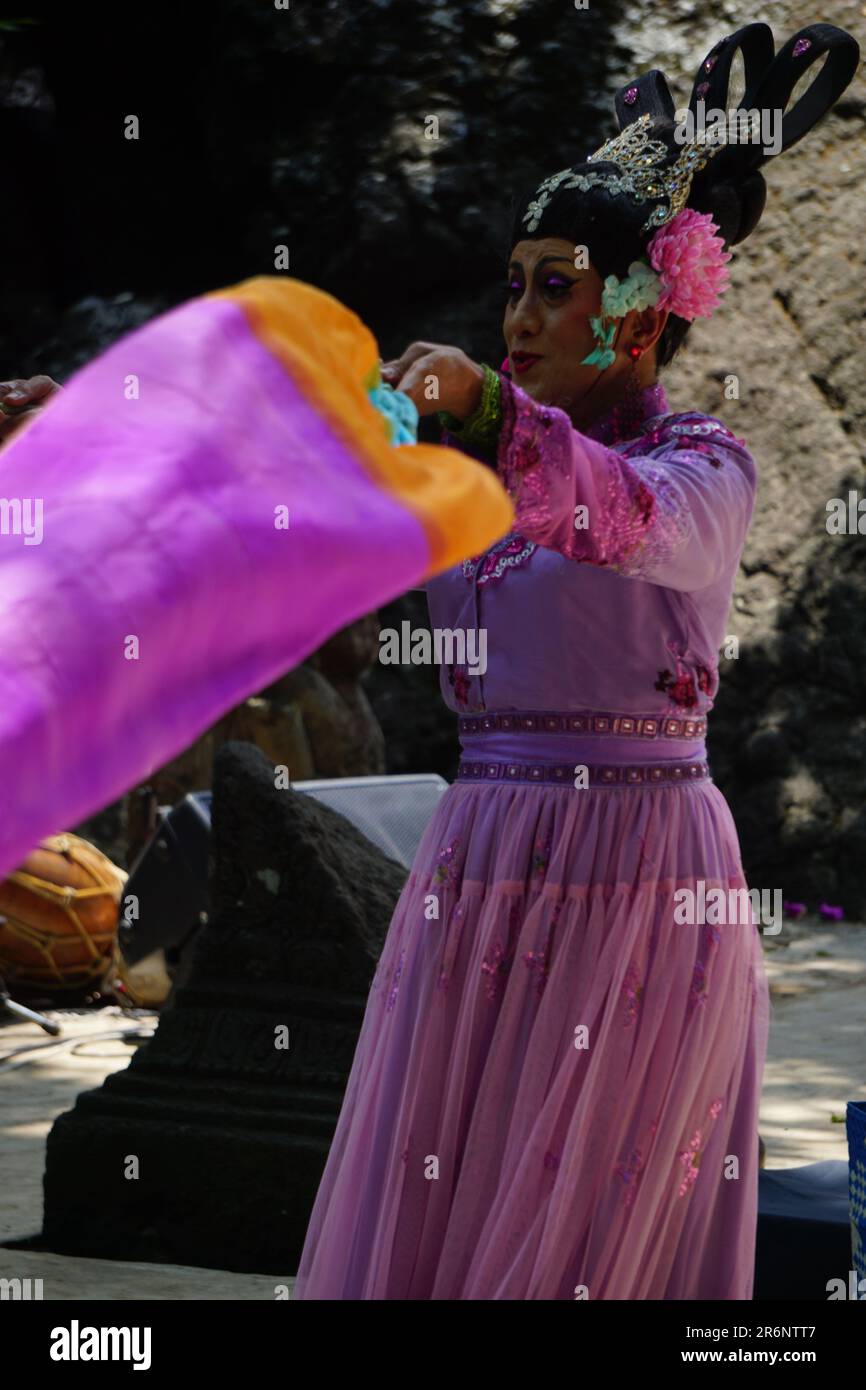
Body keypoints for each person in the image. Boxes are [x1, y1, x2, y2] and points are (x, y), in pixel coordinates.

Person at [313, 24, 855, 1299]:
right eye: (511, 284)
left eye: (553, 284)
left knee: (585, 1228)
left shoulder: (701, 471)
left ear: (637, 305)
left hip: (637, 874)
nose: (516, 315)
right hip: (478, 858)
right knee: (451, 1194)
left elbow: (612, 518)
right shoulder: (469, 477)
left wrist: (494, 415)